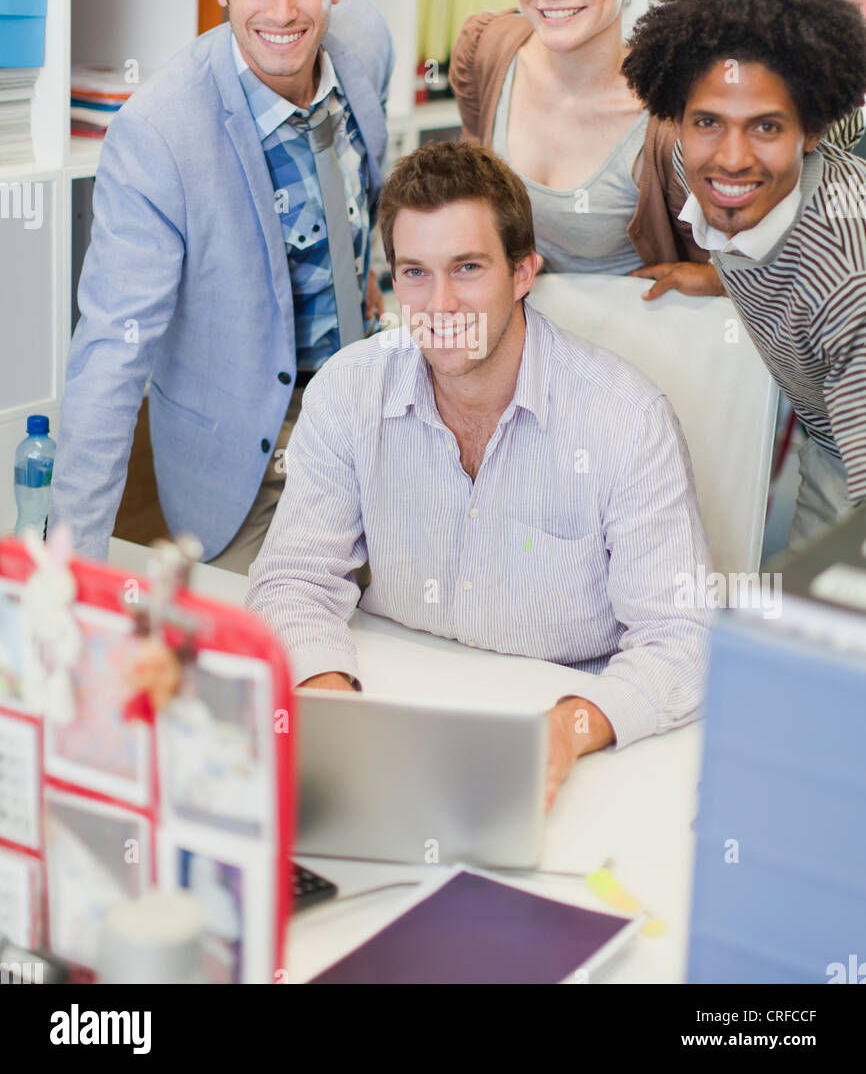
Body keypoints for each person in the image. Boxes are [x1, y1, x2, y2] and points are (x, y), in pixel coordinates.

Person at [246, 140, 712, 808]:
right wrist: (330, 705)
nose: (440, 304)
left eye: (467, 268)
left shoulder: (626, 420)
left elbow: (682, 638)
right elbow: (293, 578)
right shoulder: (349, 391)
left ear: (524, 272)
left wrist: (563, 731)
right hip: (392, 704)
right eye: (415, 273)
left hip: (569, 735)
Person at [49, 0, 394, 571]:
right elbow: (112, 353)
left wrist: (363, 273)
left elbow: (365, 183)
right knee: (270, 659)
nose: (282, 12)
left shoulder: (365, 40)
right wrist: (69, 576)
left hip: (375, 415)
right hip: (248, 463)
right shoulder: (161, 134)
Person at [622, 0, 866, 553]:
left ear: (809, 131)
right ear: (676, 121)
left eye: (764, 128)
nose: (731, 158)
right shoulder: (692, 161)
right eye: (708, 122)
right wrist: (721, 277)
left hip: (848, 452)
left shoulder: (844, 279)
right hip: (824, 416)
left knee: (824, 621)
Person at [449, 0, 723, 301]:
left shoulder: (669, 121)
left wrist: (717, 280)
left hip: (626, 350)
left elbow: (749, 258)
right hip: (520, 341)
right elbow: (470, 195)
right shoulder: (486, 50)